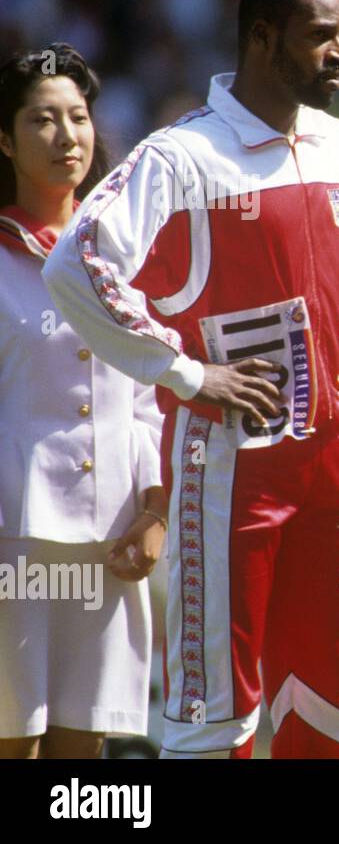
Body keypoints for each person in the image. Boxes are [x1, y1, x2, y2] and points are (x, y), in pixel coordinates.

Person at [43, 0, 339, 758]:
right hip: (228, 465)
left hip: (335, 460)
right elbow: (77, 263)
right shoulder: (183, 156)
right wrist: (185, 372)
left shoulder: (337, 144)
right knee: (217, 709)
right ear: (260, 37)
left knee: (334, 704)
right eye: (321, 37)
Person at [0, 43, 166, 758]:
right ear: (4, 139)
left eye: (77, 116)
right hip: (13, 538)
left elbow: (152, 401)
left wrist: (156, 510)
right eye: (41, 120)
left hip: (113, 540)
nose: (66, 136)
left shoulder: (123, 259)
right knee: (15, 737)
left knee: (83, 751)